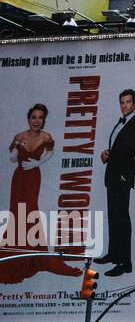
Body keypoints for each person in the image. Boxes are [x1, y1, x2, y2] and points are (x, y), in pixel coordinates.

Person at [1, 104, 78, 282]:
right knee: (16, 211)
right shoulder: (19, 136)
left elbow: (50, 153)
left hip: (33, 176)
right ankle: (15, 248)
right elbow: (12, 158)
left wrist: (37, 164)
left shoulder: (46, 136)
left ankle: (31, 251)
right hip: (19, 176)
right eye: (34, 117)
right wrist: (17, 146)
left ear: (43, 120)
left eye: (40, 117)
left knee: (30, 209)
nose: (37, 120)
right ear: (29, 118)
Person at [98, 90, 135, 276]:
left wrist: (127, 175)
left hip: (121, 180)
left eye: (128, 102)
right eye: (122, 102)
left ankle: (125, 263)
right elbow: (119, 150)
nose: (124, 105)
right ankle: (113, 254)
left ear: (134, 104)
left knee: (122, 219)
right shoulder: (120, 123)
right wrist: (106, 154)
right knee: (113, 217)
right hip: (111, 177)